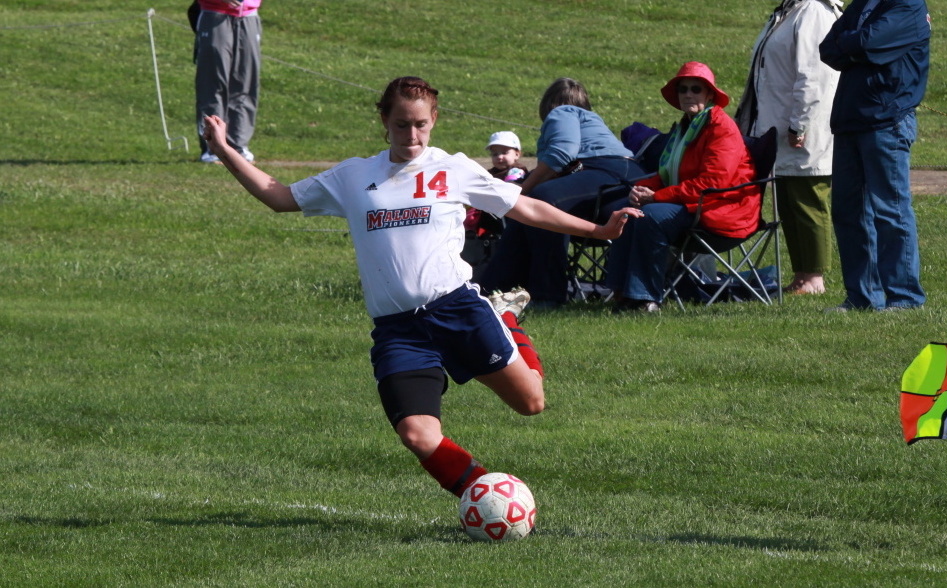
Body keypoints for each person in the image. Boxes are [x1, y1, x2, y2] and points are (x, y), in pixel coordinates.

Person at [200, 76, 641, 499]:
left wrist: (599, 231)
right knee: (416, 433)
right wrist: (224, 150)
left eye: (421, 124)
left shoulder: (453, 169)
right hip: (399, 330)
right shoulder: (353, 176)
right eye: (401, 124)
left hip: (458, 311)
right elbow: (278, 196)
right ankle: (483, 495)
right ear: (384, 121)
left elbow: (525, 207)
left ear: (433, 121)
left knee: (531, 403)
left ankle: (504, 317)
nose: (411, 134)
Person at [478, 78, 647, 308]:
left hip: (607, 171)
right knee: (526, 212)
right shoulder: (591, 121)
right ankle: (493, 290)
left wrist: (522, 191)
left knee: (541, 200)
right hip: (628, 183)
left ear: (550, 104)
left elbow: (561, 153)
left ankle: (547, 295)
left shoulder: (564, 111)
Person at [606, 61, 759, 312]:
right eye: (683, 89)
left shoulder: (721, 127)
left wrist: (656, 197)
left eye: (696, 89)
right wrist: (642, 189)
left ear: (709, 95)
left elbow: (714, 183)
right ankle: (620, 292)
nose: (688, 94)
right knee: (627, 209)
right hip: (694, 202)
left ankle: (646, 298)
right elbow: (669, 173)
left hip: (723, 209)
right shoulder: (685, 127)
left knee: (650, 217)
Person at [819, 0, 931, 311]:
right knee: (848, 211)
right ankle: (863, 297)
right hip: (850, 120)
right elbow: (828, 48)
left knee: (890, 210)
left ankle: (904, 298)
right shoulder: (865, 4)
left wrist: (853, 44)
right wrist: (857, 46)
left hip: (888, 120)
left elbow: (868, 42)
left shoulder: (907, 5)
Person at [735, 0, 842, 296]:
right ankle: (801, 275)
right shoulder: (788, 12)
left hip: (802, 126)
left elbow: (815, 76)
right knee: (789, 199)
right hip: (779, 124)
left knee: (807, 197)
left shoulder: (813, 12)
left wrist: (800, 123)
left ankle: (814, 279)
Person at [194, 0, 262, 164]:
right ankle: (213, 148)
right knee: (212, 84)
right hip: (214, 13)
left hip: (249, 15)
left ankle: (238, 147)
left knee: (245, 83)